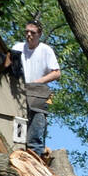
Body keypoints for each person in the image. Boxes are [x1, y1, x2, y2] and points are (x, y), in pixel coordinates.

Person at [10, 19, 61, 154]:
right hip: (19, 90)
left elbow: (56, 73)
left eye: (32, 32)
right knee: (17, 127)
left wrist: (37, 82)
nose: (29, 35)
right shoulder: (18, 47)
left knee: (36, 129)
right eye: (26, 31)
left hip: (38, 92)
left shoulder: (46, 50)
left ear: (39, 34)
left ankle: (35, 157)